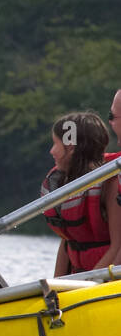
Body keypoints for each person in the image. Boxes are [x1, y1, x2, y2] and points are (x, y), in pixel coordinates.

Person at [41, 112, 121, 275]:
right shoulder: (66, 184)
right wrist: (56, 288)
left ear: (70, 148)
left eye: (55, 144)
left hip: (103, 280)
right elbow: (68, 241)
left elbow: (118, 247)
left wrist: (87, 285)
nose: (51, 151)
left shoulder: (110, 183)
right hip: (80, 278)